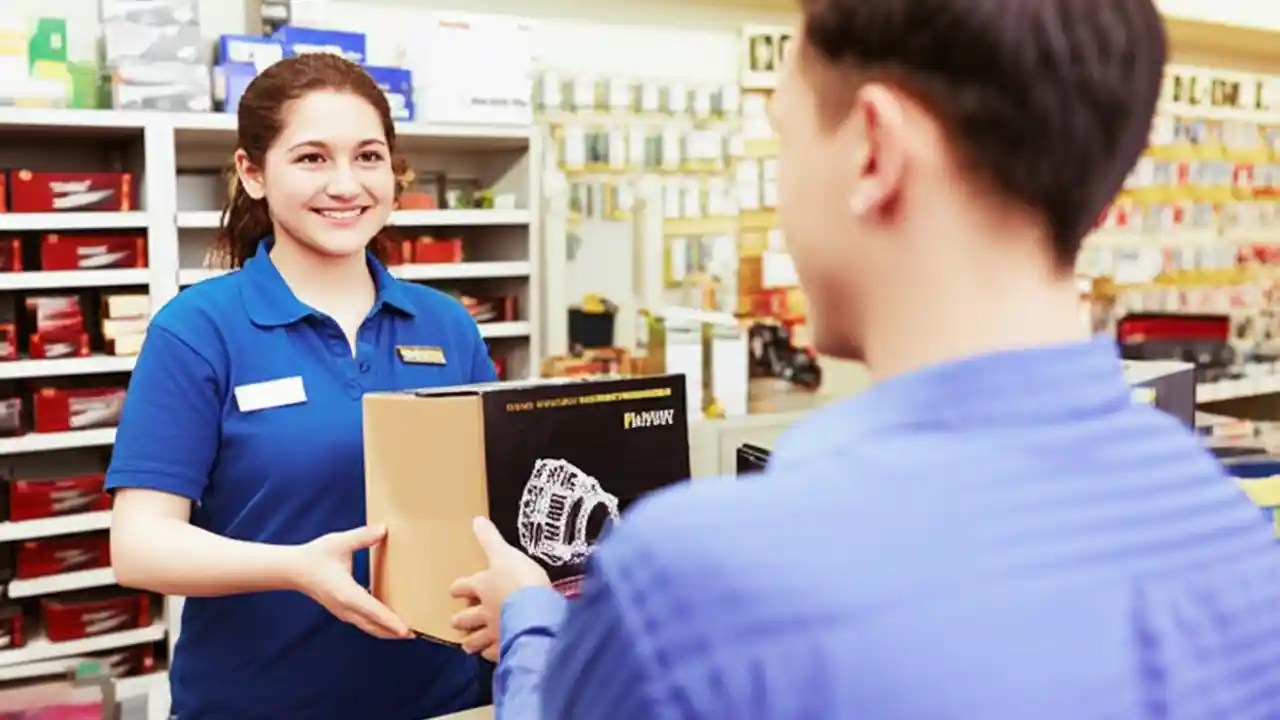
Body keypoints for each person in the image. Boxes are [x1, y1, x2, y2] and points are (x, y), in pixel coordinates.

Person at [448, 1, 1280, 718]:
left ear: (873, 152)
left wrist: (530, 621)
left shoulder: (691, 586)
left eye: (785, 139)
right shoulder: (1230, 532)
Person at [106, 54, 497, 719]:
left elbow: (491, 497)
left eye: (368, 157)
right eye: (313, 158)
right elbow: (139, 546)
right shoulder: (199, 329)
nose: (346, 184)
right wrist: (293, 568)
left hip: (442, 699)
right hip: (258, 702)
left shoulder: (446, 323)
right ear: (252, 174)